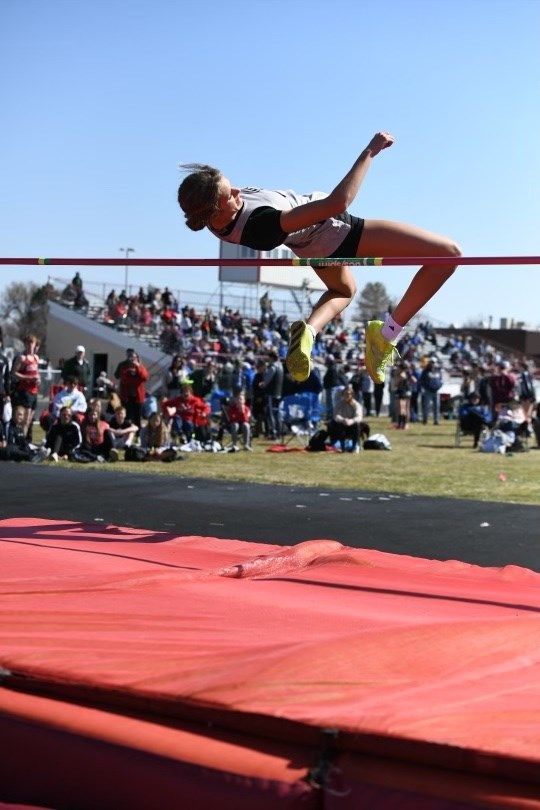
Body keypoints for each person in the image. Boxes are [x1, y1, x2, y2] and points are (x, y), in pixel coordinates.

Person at [178, 132, 461, 386]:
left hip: (313, 246)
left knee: (343, 290)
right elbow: (336, 203)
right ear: (216, 212)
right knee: (447, 254)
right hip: (337, 231)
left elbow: (212, 197)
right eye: (231, 195)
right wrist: (369, 152)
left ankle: (310, 331)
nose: (238, 191)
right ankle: (386, 335)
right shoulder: (260, 225)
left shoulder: (213, 216)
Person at [11, 334, 41, 439]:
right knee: (25, 419)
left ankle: (24, 441)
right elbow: (14, 373)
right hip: (25, 391)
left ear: (35, 344)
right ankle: (21, 442)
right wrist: (28, 378)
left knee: (30, 419)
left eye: (31, 343)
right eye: (27, 343)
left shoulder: (36, 358)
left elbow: (36, 372)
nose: (29, 345)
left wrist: (38, 379)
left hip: (34, 391)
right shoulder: (22, 358)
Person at [328, 386, 369, 453]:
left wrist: (351, 421)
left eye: (349, 394)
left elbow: (359, 417)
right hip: (342, 425)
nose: (347, 395)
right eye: (345, 394)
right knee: (333, 423)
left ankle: (354, 447)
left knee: (357, 425)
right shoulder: (339, 404)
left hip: (352, 426)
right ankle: (341, 447)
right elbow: (336, 415)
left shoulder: (356, 405)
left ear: (352, 394)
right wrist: (343, 420)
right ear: (342, 395)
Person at [114, 349, 149, 426]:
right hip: (126, 396)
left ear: (136, 357)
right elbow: (124, 379)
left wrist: (138, 367)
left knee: (137, 417)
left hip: (137, 396)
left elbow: (145, 377)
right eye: (129, 356)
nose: (131, 358)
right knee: (127, 416)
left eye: (133, 356)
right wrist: (137, 379)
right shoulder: (123, 365)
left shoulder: (140, 366)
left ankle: (137, 435)